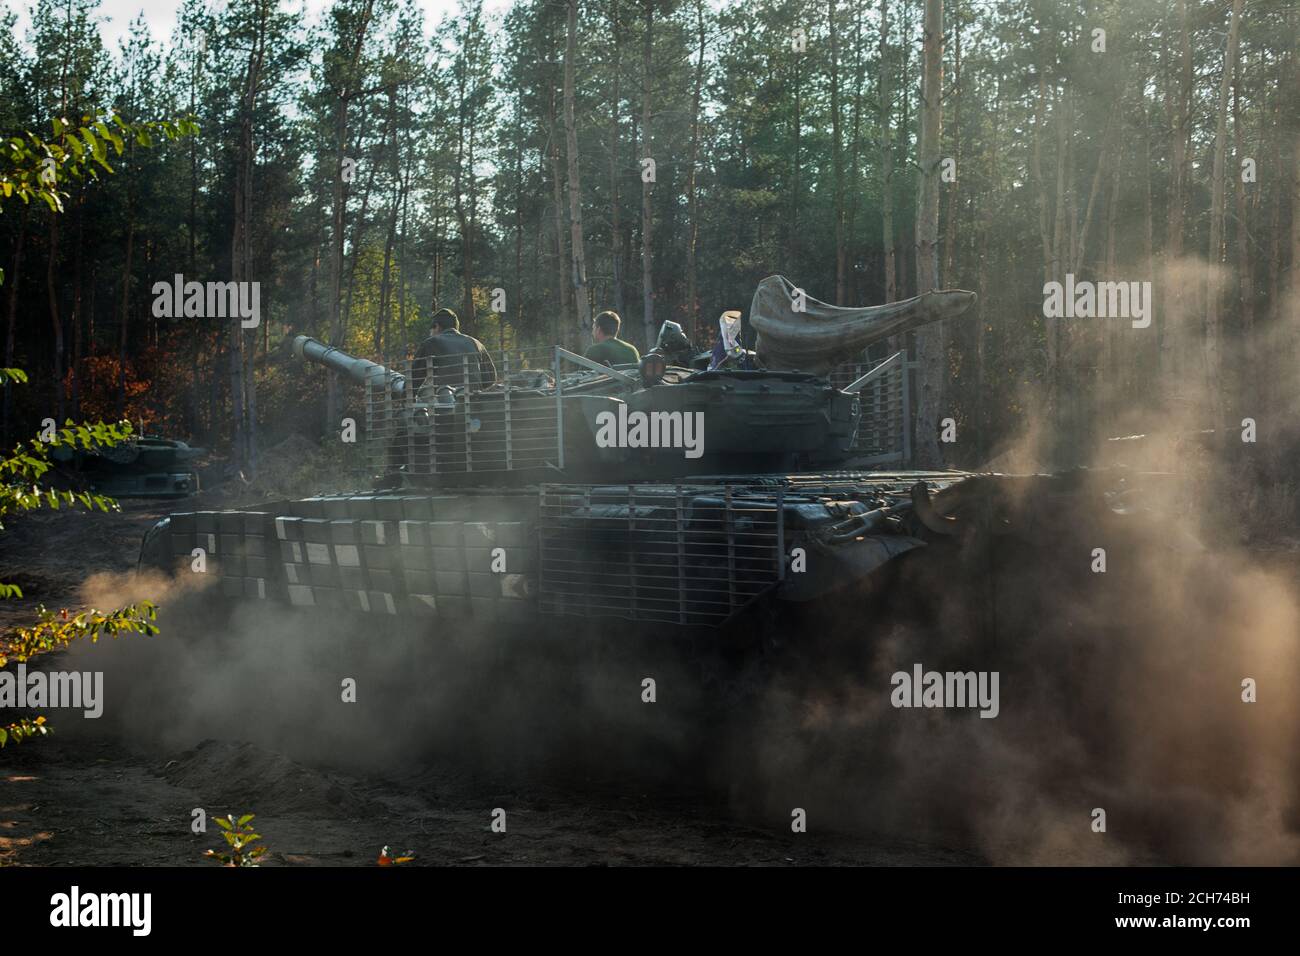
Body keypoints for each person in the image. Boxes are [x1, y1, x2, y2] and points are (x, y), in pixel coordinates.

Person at [412, 308, 497, 392]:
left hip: (444, 401)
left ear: (437, 326)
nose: (430, 334)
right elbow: (490, 379)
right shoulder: (476, 343)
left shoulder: (430, 343)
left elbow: (414, 379)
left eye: (431, 330)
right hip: (474, 401)